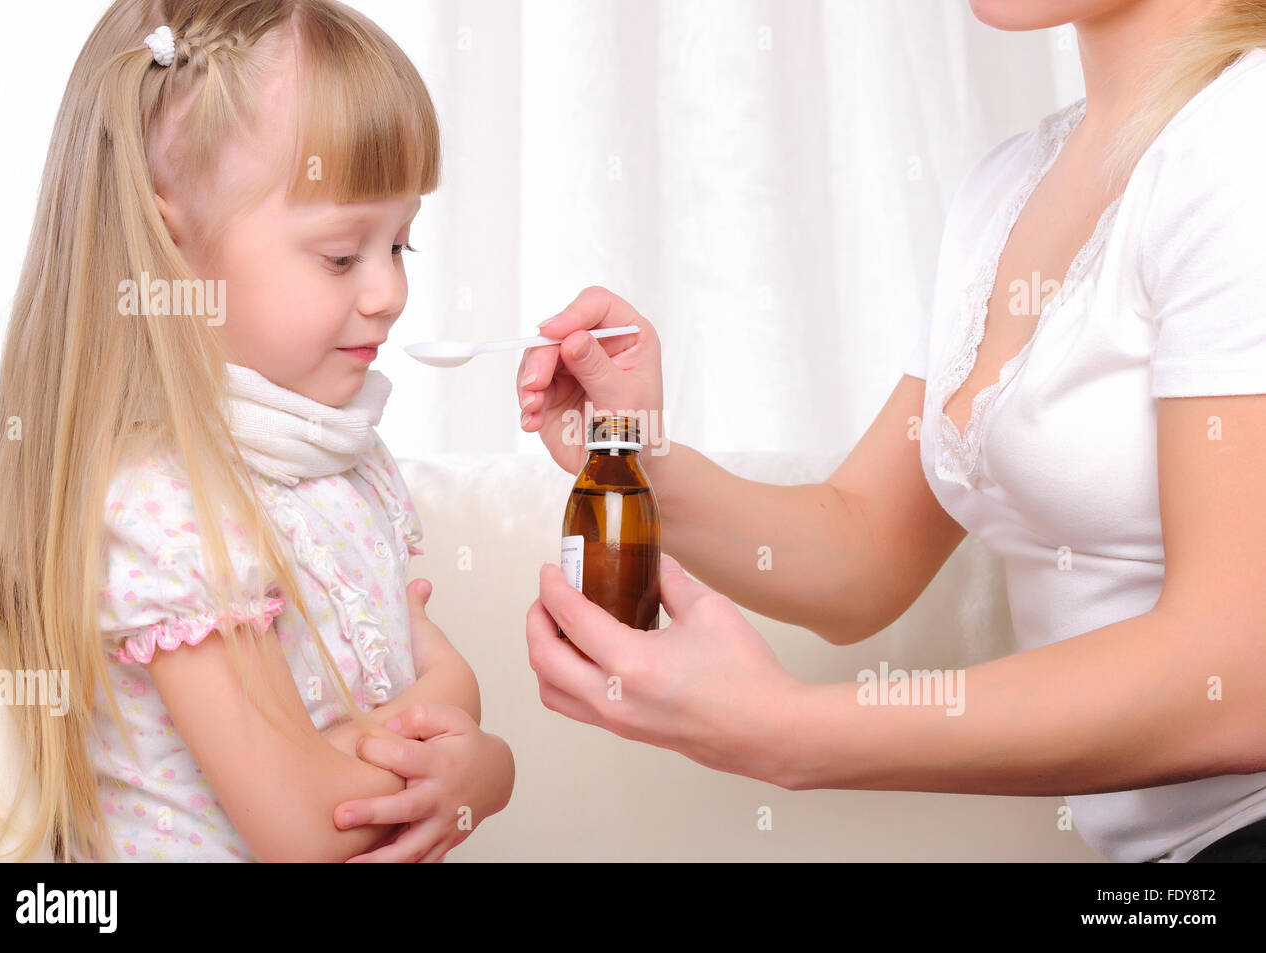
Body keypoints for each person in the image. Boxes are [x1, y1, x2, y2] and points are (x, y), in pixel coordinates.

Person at [513, 0, 1266, 863]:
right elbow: (865, 552)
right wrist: (636, 457)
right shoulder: (1011, 185)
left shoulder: (1245, 142)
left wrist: (788, 730)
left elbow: (1240, 675)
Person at [0, 0, 513, 862]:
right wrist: (478, 770)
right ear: (168, 242)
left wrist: (451, 748)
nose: (388, 293)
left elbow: (446, 685)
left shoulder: (343, 460)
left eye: (401, 244)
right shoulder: (164, 505)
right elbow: (300, 821)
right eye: (341, 254)